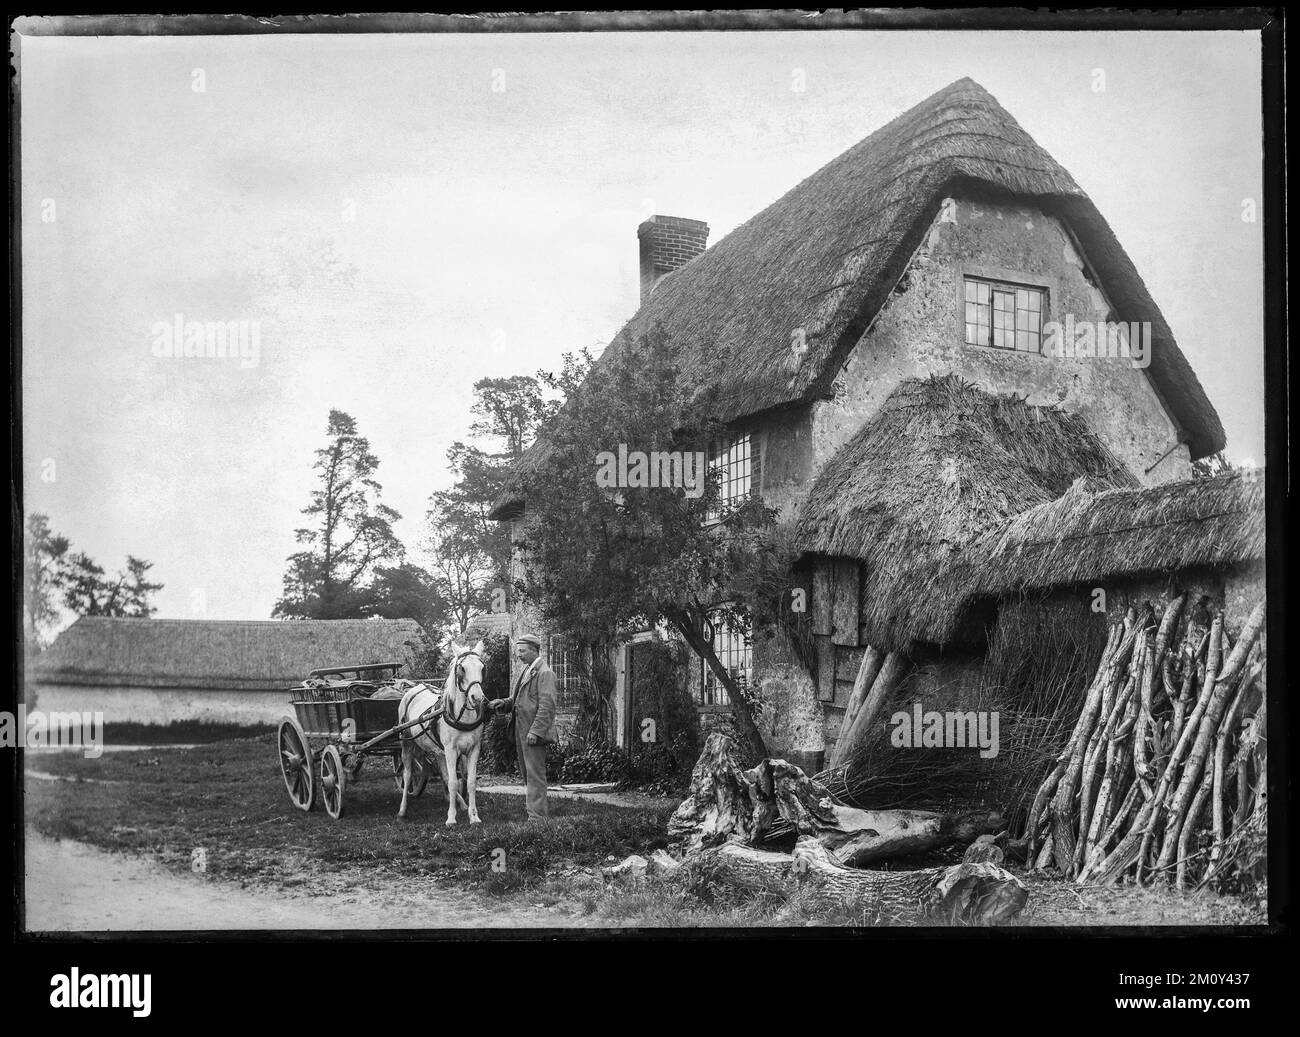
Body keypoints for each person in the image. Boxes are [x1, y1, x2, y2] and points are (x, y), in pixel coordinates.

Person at [488, 634, 557, 821]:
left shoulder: (545, 673)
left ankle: (537, 818)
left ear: (534, 650)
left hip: (532, 732)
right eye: (518, 651)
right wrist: (502, 703)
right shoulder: (528, 670)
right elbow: (517, 700)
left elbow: (547, 706)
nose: (518, 655)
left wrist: (536, 731)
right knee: (528, 774)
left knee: (535, 775)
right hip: (522, 731)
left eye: (522, 651)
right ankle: (534, 812)